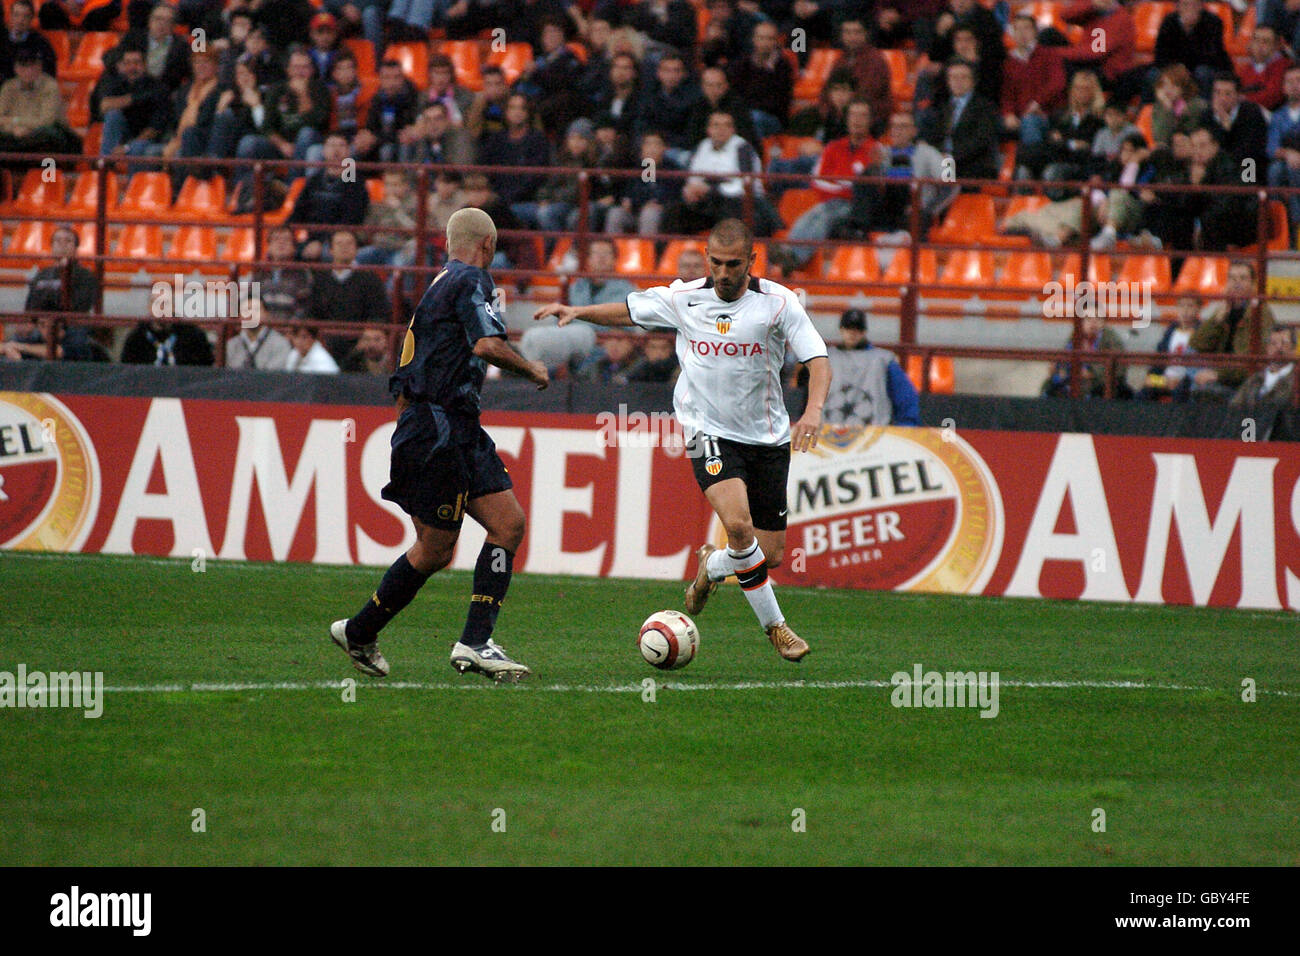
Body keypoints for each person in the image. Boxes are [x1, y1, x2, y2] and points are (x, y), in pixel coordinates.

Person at [533, 218, 830, 662]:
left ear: (752, 261)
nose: (724, 273)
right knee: (740, 527)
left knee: (770, 555)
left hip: (767, 436)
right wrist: (577, 312)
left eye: (734, 264)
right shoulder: (684, 297)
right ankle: (777, 628)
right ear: (706, 259)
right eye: (716, 263)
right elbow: (629, 310)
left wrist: (813, 410)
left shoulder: (778, 302)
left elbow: (818, 358)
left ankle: (711, 566)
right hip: (706, 430)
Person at [330, 207, 549, 682]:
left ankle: (475, 642)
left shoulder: (440, 282)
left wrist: (408, 424)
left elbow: (409, 373)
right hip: (440, 429)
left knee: (507, 524)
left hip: (451, 426)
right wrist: (532, 368)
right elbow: (487, 346)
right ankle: (361, 630)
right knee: (434, 550)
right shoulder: (472, 279)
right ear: (488, 245)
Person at [814, 308, 920, 426]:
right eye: (848, 328)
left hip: (875, 435)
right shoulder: (825, 358)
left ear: (864, 332)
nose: (852, 333)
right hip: (828, 434)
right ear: (841, 330)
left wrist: (906, 426)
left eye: (858, 329)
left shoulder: (883, 360)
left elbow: (905, 397)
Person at [1189, 260, 1276, 397]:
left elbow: (1254, 360)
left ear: (1253, 283)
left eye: (1243, 278)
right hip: (1219, 370)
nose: (1237, 283)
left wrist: (1218, 374)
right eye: (1232, 278)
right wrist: (1217, 320)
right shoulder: (1224, 307)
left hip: (1242, 378)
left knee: (1200, 387)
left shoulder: (1261, 312)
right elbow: (1196, 344)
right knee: (1190, 361)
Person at [24, 226, 98, 315]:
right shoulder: (42, 274)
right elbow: (30, 305)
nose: (62, 244)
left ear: (76, 248)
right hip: (42, 323)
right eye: (58, 240)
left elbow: (81, 306)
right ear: (51, 247)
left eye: (68, 241)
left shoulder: (86, 275)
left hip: (72, 324)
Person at [1229, 326, 1297, 420]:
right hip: (1250, 430)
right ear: (1267, 347)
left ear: (1293, 348)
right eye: (1273, 343)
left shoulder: (1296, 379)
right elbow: (1235, 407)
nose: (1278, 348)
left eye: (1284, 343)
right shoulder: (1255, 379)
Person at [121, 319, 215, 365]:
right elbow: (125, 368)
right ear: (149, 306)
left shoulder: (192, 335)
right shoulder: (137, 336)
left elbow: (206, 365)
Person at [226, 321, 292, 370]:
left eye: (256, 310)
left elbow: (275, 374)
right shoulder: (231, 344)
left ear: (266, 314)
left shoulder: (281, 343)